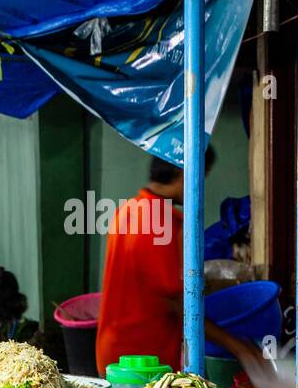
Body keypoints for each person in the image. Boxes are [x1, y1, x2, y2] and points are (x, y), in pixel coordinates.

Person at [96, 150, 259, 374]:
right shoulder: (162, 221)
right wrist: (239, 347)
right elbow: (177, 304)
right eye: (202, 176)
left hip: (114, 350)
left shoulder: (128, 209)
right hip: (142, 360)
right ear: (183, 173)